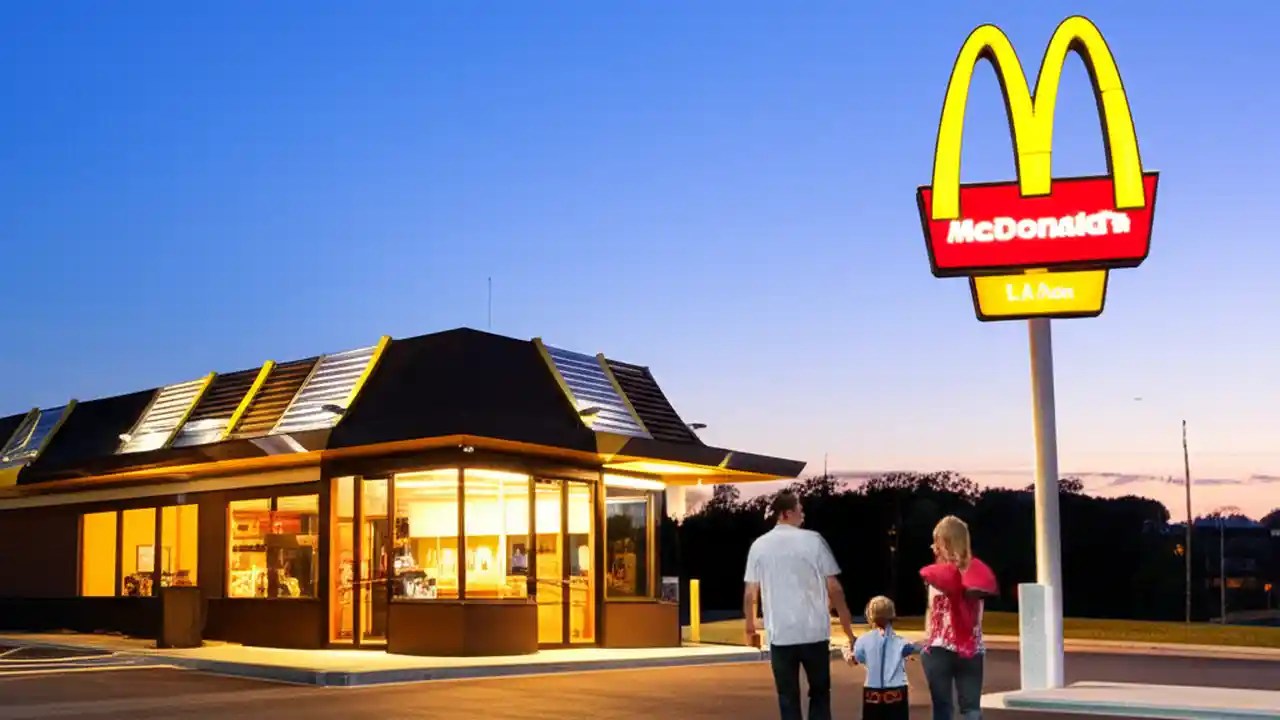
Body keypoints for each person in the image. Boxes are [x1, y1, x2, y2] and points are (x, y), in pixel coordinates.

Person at [744, 490, 857, 720]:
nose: (803, 514)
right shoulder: (814, 541)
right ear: (786, 513)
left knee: (787, 697)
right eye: (799, 509)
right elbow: (834, 587)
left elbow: (750, 593)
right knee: (820, 693)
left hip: (781, 634)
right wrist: (848, 630)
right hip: (814, 632)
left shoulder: (759, 546)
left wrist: (750, 627)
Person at [919, 515, 998, 720]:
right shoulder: (978, 571)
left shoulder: (935, 574)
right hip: (971, 649)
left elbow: (932, 611)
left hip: (938, 648)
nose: (933, 547)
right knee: (971, 709)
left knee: (943, 709)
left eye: (936, 542)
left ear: (944, 542)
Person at [845, 596, 917, 720]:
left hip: (872, 693)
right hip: (896, 692)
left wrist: (846, 652)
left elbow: (856, 659)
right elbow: (912, 649)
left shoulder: (863, 640)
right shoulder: (901, 642)